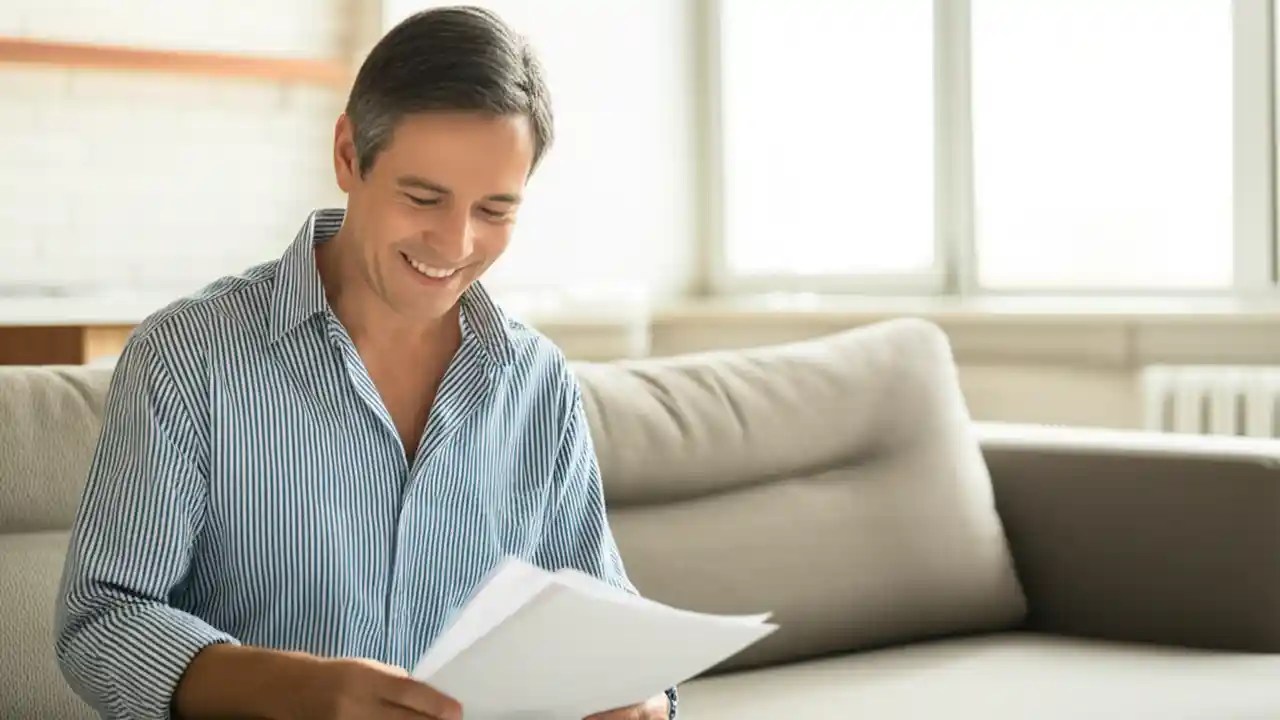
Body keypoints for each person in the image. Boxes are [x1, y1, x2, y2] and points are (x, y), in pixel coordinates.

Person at [53, 6, 675, 719]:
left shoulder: (539, 385)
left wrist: (639, 697)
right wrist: (298, 691)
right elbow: (100, 622)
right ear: (348, 155)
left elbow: (602, 618)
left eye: (495, 211)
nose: (455, 242)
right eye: (423, 197)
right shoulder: (187, 359)